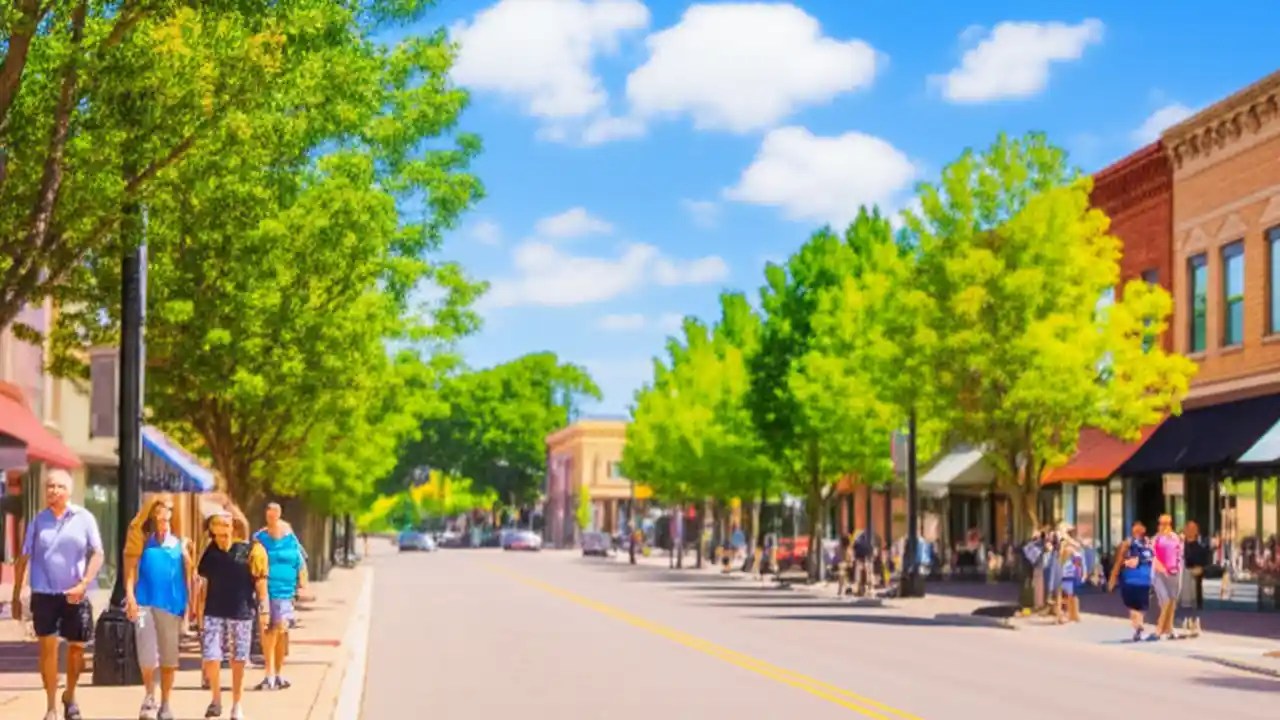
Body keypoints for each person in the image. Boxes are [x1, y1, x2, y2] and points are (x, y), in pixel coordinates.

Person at [10, 469, 104, 720]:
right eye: (50, 486)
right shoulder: (38, 521)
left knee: (76, 651)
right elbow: (23, 558)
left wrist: (84, 583)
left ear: (69, 491)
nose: (53, 491)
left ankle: (70, 695)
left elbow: (98, 553)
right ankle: (51, 705)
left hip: (75, 593)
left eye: (59, 486)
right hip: (44, 593)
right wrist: (17, 594)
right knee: (48, 649)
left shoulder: (85, 518)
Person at [125, 494, 194, 720]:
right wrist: (131, 598)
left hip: (172, 605)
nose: (163, 523)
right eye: (159, 518)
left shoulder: (180, 545)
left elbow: (190, 577)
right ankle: (149, 696)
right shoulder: (143, 541)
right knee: (146, 655)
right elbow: (131, 571)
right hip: (145, 602)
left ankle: (165, 702)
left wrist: (191, 608)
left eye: (166, 519)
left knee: (168, 659)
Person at [199, 510, 270, 720]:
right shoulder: (210, 552)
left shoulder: (251, 550)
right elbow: (202, 581)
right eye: (217, 534)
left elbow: (261, 582)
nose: (221, 539)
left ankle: (237, 703)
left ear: (233, 529)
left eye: (225, 533)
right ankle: (216, 699)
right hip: (214, 610)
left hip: (241, 610)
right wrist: (197, 611)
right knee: (211, 656)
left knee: (238, 659)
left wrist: (264, 610)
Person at [252, 503, 306, 690]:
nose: (273, 516)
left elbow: (300, 562)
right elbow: (254, 561)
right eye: (269, 512)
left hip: (287, 592)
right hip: (268, 590)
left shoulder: (291, 538)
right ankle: (269, 674)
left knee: (282, 632)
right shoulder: (260, 538)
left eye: (275, 513)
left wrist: (303, 584)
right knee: (270, 630)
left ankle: (278, 673)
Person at [1109, 520, 1155, 642]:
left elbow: (1118, 562)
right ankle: (1138, 626)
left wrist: (1113, 578)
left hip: (1130, 578)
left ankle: (1138, 625)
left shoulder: (1127, 543)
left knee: (1132, 605)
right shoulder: (1149, 543)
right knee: (1141, 606)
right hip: (1146, 579)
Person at [1151, 514, 1183, 640]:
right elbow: (1152, 556)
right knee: (1165, 600)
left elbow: (1179, 554)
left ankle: (1169, 628)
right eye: (1161, 523)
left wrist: (1178, 567)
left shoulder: (1175, 538)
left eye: (1166, 523)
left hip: (1174, 573)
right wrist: (1161, 568)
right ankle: (1159, 628)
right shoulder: (1156, 539)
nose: (1164, 526)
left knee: (1172, 601)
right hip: (1160, 574)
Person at [1180, 520, 1210, 638]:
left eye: (1194, 529)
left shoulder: (1201, 548)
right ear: (1185, 530)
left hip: (1195, 580)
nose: (1191, 531)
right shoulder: (1180, 547)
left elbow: (1206, 565)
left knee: (1195, 600)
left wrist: (1201, 569)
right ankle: (1183, 620)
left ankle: (1194, 621)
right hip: (1182, 579)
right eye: (1189, 528)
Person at [1055, 525, 1084, 625]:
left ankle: (1063, 616)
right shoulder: (1077, 549)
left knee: (1064, 595)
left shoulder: (1068, 549)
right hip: (1074, 573)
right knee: (1072, 595)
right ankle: (1073, 615)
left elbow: (1061, 561)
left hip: (1066, 574)